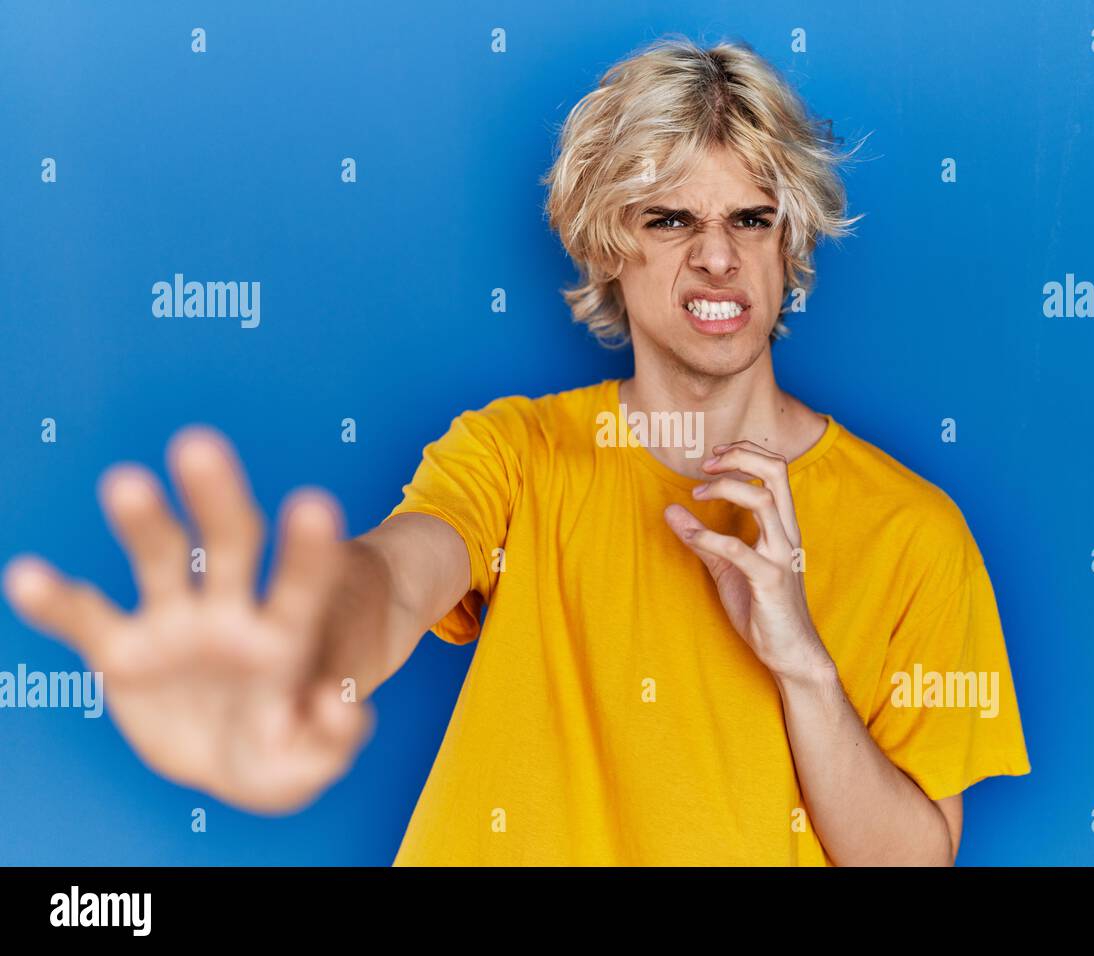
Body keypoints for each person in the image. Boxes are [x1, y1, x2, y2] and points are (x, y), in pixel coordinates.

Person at [2, 36, 1030, 866]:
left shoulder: (915, 532)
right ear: (604, 246)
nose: (717, 255)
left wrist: (802, 664)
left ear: (788, 241)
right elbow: (399, 580)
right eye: (669, 218)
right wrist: (300, 658)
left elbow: (910, 859)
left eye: (750, 219)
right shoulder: (521, 452)